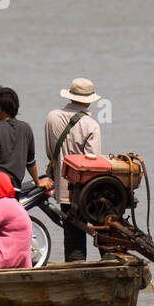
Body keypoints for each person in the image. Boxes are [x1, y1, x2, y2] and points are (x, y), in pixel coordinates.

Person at [37, 78, 102, 263]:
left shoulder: (52, 117)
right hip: (85, 190)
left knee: (73, 234)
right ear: (89, 100)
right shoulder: (91, 125)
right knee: (102, 231)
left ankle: (75, 267)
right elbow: (93, 162)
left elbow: (51, 153)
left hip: (64, 188)